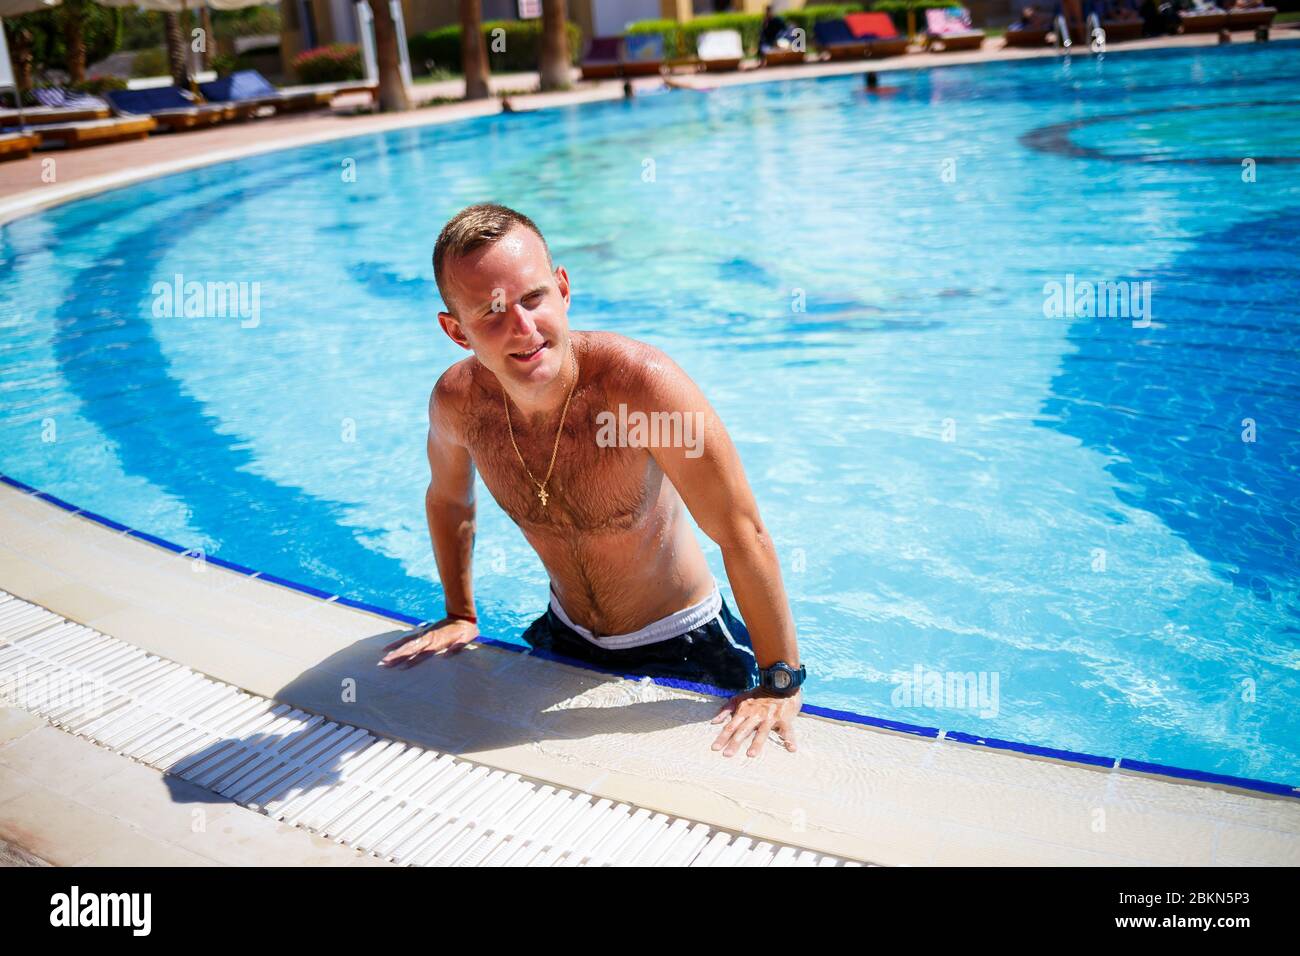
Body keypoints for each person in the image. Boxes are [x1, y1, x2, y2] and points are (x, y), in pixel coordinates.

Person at [379, 204, 807, 759]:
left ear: (562, 289)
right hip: (564, 634)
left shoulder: (640, 389)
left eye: (534, 298)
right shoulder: (459, 404)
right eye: (492, 312)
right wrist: (461, 613)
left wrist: (780, 680)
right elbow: (448, 498)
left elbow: (740, 531)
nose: (524, 328)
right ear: (455, 330)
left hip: (687, 642)